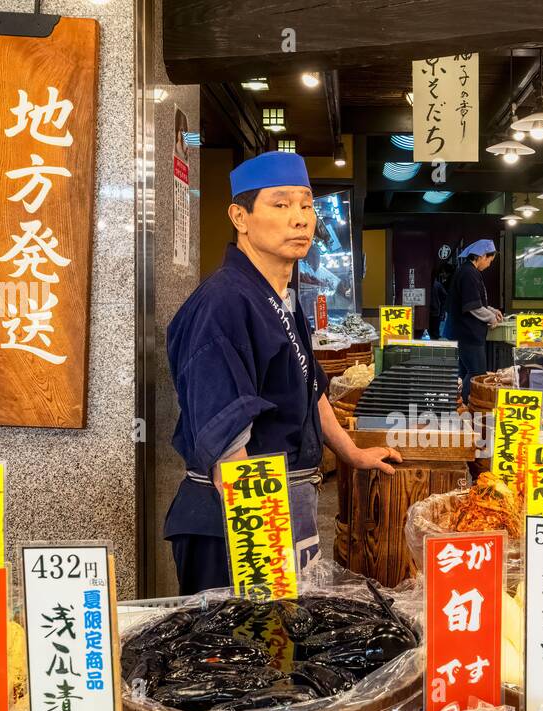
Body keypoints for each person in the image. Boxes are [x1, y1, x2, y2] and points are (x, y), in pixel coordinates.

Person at [164, 150, 402, 594]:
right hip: (237, 519)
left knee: (280, 653)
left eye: (306, 205)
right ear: (240, 216)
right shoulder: (224, 302)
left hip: (282, 507)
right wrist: (263, 549)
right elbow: (226, 434)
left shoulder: (280, 297)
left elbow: (311, 389)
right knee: (240, 655)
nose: (300, 219)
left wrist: (352, 454)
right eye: (280, 204)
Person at [448, 239, 502, 402]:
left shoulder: (468, 271)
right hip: (468, 334)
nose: (489, 265)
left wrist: (492, 310)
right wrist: (492, 318)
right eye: (490, 261)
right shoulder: (468, 273)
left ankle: (457, 403)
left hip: (464, 332)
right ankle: (462, 403)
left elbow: (478, 303)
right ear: (482, 256)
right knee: (477, 372)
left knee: (465, 372)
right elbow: (472, 307)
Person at [429, 261, 453, 340]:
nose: (441, 274)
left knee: (432, 331)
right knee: (435, 332)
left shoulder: (437, 284)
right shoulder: (438, 284)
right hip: (436, 311)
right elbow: (445, 297)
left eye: (443, 272)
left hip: (433, 311)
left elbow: (445, 297)